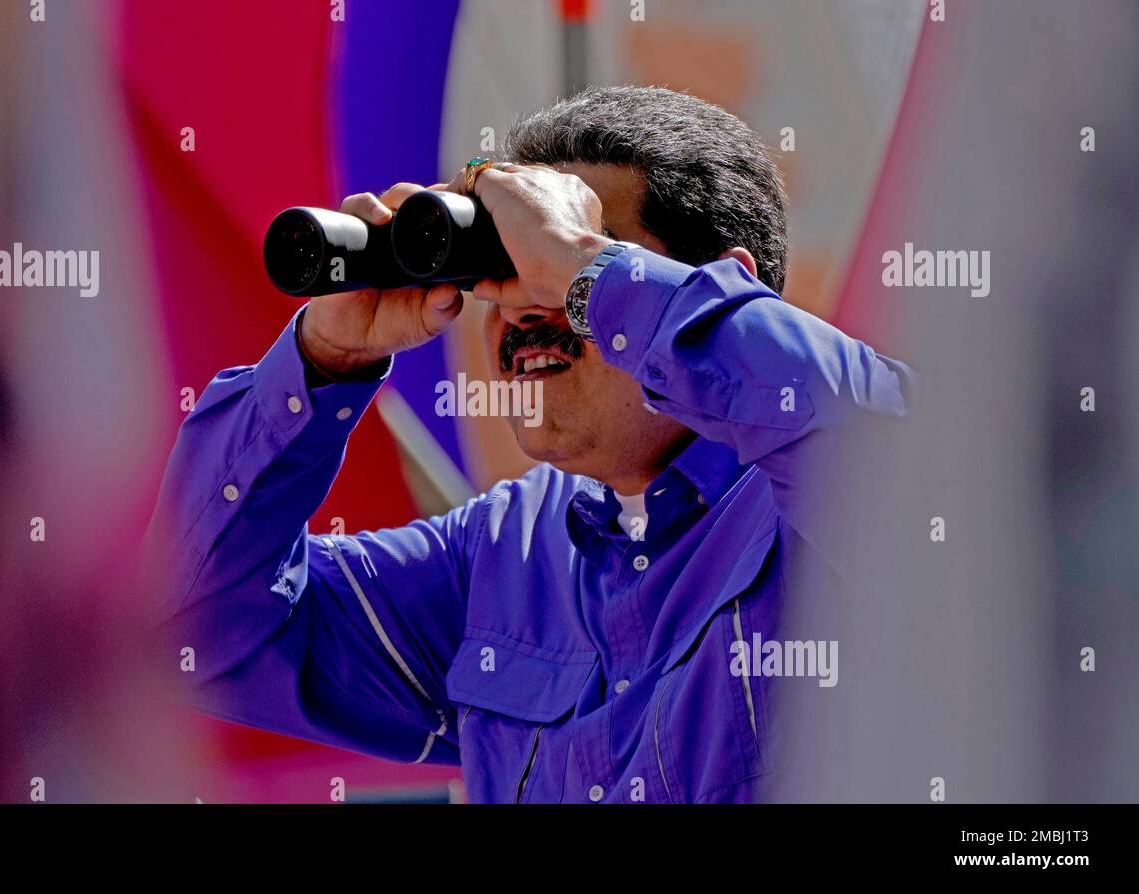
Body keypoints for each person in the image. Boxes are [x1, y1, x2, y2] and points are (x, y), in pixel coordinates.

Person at [148, 85, 914, 803]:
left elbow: (907, 459)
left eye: (551, 271)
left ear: (718, 283)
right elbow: (200, 633)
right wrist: (322, 361)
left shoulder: (822, 510)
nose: (524, 310)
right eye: (502, 272)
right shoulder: (503, 556)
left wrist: (582, 265)